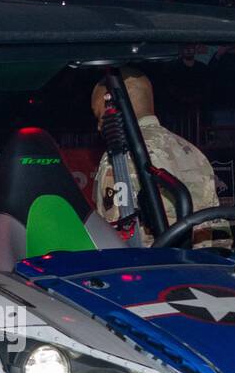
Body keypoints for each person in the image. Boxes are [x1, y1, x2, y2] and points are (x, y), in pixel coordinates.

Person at [90, 68, 218, 247]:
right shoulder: (193, 152)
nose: (98, 127)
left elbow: (115, 237)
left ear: (111, 103)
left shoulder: (121, 156)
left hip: (151, 269)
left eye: (99, 116)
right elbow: (217, 232)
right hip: (200, 269)